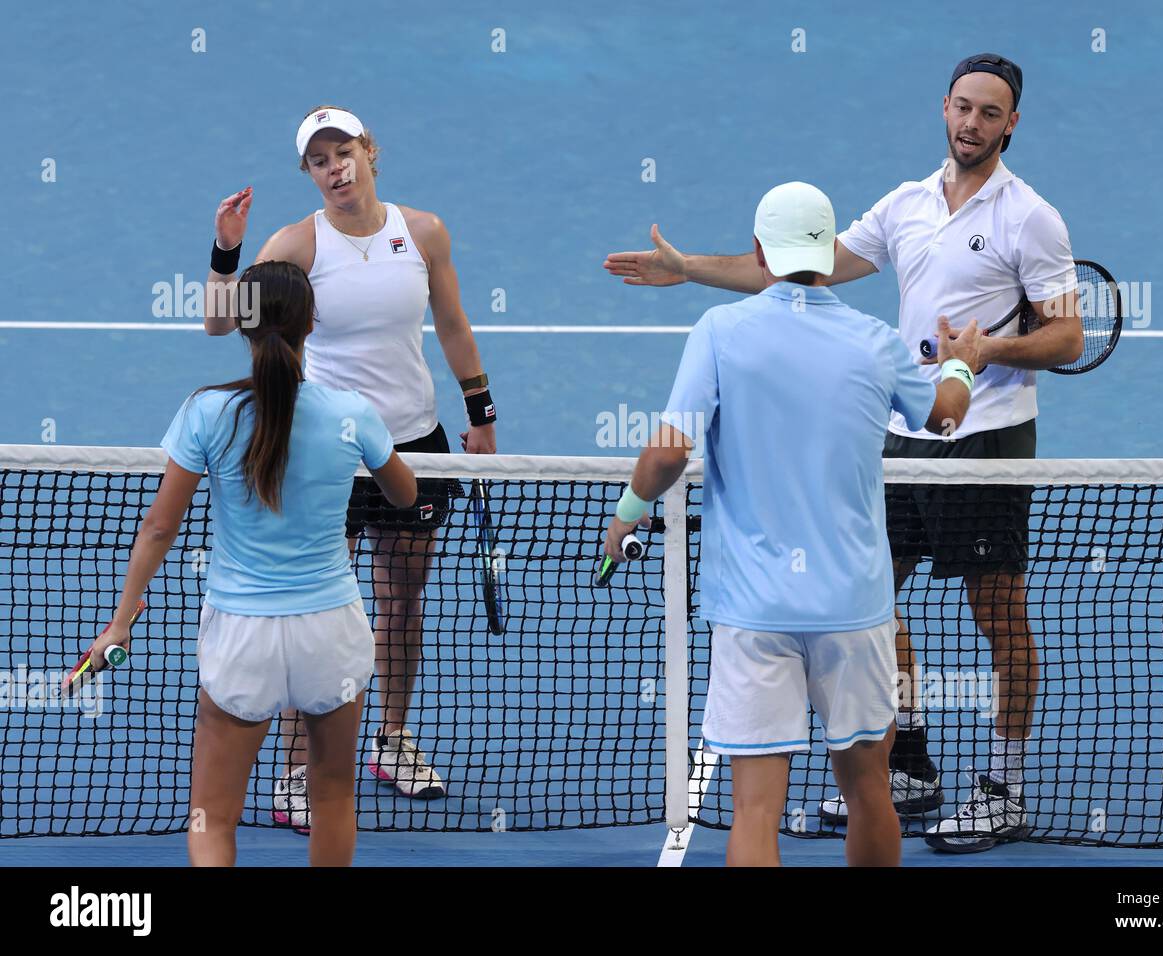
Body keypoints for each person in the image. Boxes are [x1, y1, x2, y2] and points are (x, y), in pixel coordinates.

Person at [603, 56, 1082, 853]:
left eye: (989, 114)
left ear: (1011, 125)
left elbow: (1068, 336)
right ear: (944, 108)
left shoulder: (1032, 218)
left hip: (987, 438)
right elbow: (796, 270)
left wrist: (986, 347)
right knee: (880, 597)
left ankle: (1005, 784)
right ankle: (911, 760)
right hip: (911, 427)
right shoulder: (906, 205)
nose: (971, 124)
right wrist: (689, 270)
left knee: (996, 612)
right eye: (962, 107)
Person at [603, 182, 979, 866]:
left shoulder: (720, 331)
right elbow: (946, 418)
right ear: (828, 254)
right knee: (870, 790)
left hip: (755, 610)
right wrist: (962, 362)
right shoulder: (875, 343)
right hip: (856, 611)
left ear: (758, 251)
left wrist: (627, 515)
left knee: (753, 810)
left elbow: (665, 454)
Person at [203, 106, 499, 831]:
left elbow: (454, 324)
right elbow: (219, 322)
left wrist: (482, 413)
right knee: (312, 612)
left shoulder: (423, 231)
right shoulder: (297, 244)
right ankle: (298, 771)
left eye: (344, 154)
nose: (335, 170)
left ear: (371, 152)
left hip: (414, 444)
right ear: (308, 173)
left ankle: (391, 741)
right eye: (319, 161)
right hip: (326, 450)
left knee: (402, 600)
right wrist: (225, 250)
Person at [90, 261, 416, 865]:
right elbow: (405, 495)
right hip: (332, 636)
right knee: (335, 798)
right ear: (311, 323)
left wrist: (120, 621)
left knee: (211, 817)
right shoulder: (353, 411)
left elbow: (160, 526)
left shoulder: (206, 412)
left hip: (241, 638)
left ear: (241, 324)